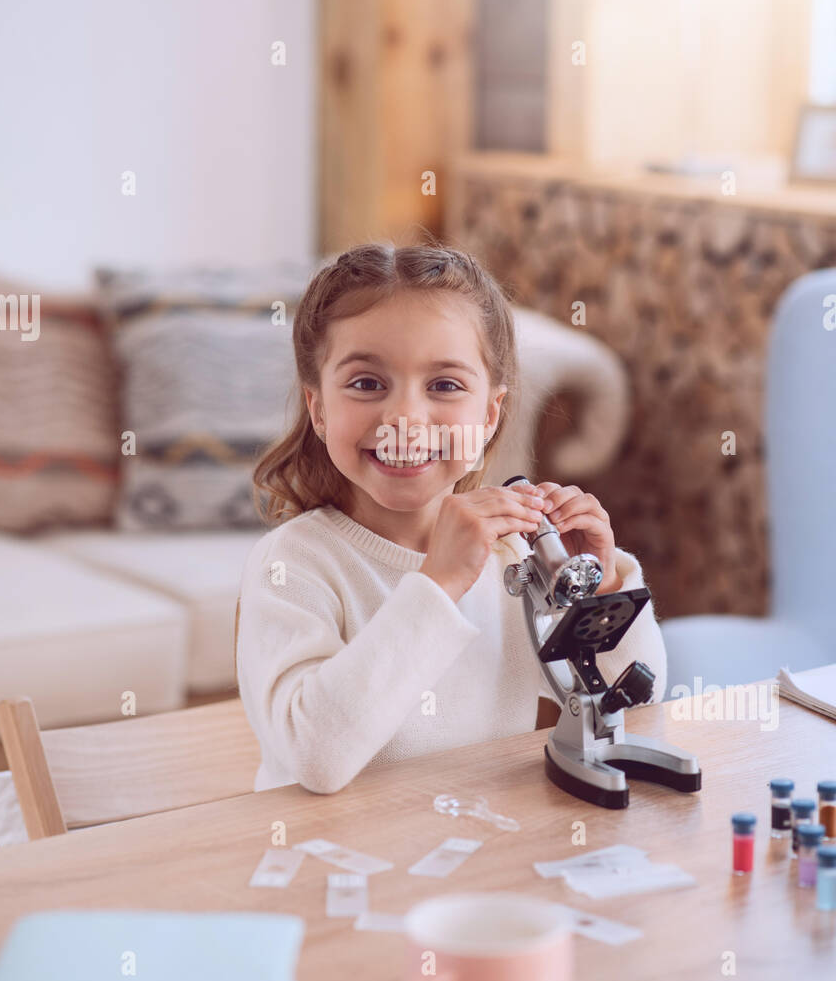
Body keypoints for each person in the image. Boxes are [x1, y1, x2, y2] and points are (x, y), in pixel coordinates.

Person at [236, 241, 667, 792]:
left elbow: (635, 706)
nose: (407, 418)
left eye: (444, 386)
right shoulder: (292, 565)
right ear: (319, 409)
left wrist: (603, 592)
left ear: (490, 414)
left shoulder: (519, 554)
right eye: (367, 384)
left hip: (467, 849)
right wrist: (439, 582)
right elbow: (314, 760)